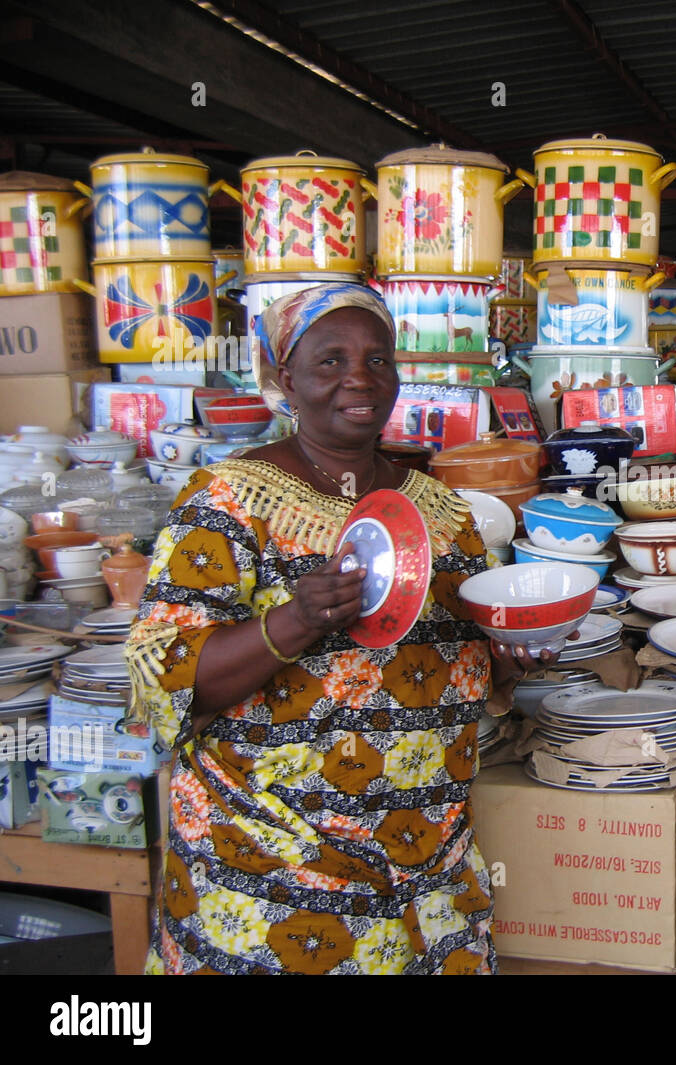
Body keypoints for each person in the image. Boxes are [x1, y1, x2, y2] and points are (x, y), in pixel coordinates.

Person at [126, 283, 533, 974]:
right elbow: (168, 677)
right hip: (271, 871)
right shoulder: (229, 501)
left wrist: (519, 651)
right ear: (285, 377)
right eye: (330, 360)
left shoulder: (440, 509)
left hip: (425, 870)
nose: (359, 379)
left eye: (379, 360)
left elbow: (474, 668)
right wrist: (295, 619)